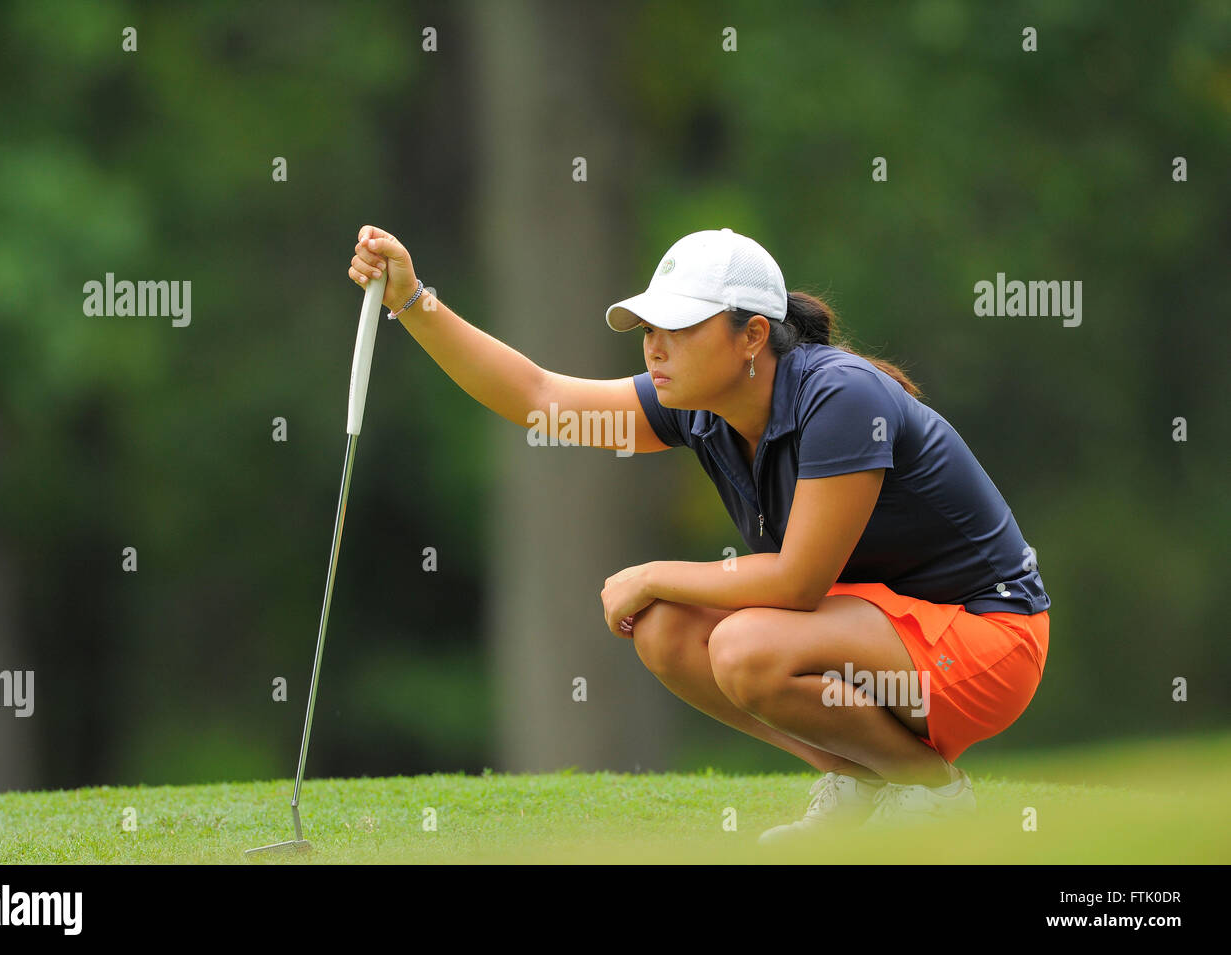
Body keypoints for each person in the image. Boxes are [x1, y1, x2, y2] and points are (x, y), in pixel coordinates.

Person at [347, 224, 1050, 839]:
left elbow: (798, 583)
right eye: (651, 329)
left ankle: (932, 790)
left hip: (988, 640)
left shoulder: (841, 396)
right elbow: (541, 401)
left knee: (742, 644)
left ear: (750, 335)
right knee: (664, 629)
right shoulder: (699, 407)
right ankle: (865, 776)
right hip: (877, 635)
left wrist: (652, 571)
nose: (655, 347)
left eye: (679, 328)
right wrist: (413, 301)